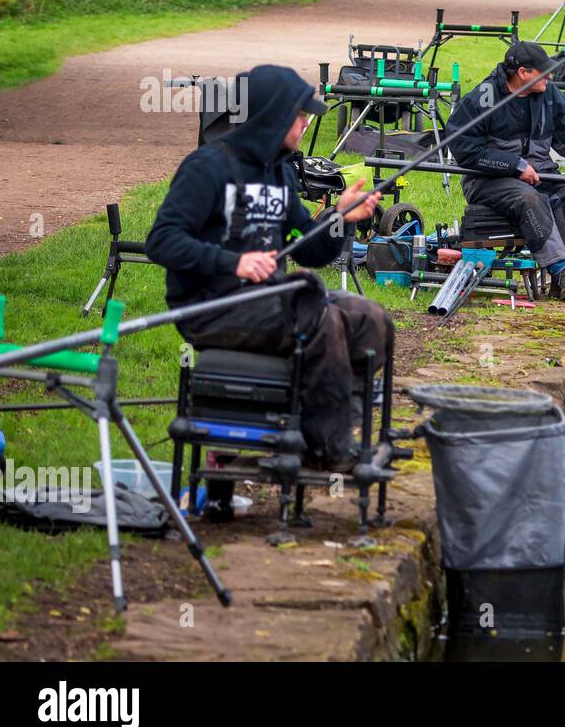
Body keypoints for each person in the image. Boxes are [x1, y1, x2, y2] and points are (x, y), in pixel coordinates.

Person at [146, 65, 392, 471]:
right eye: (300, 115)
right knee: (322, 317)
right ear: (272, 115)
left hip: (268, 301)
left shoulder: (280, 173)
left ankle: (337, 428)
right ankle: (328, 448)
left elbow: (310, 250)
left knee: (371, 319)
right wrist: (234, 261)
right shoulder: (207, 167)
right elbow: (163, 239)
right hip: (210, 308)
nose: (305, 123)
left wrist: (340, 217)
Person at [447, 41, 565, 302]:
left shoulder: (550, 95)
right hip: (487, 179)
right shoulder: (481, 98)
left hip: (541, 174)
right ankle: (560, 270)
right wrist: (515, 166)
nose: (550, 76)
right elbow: (464, 149)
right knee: (531, 199)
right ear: (522, 73)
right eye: (543, 71)